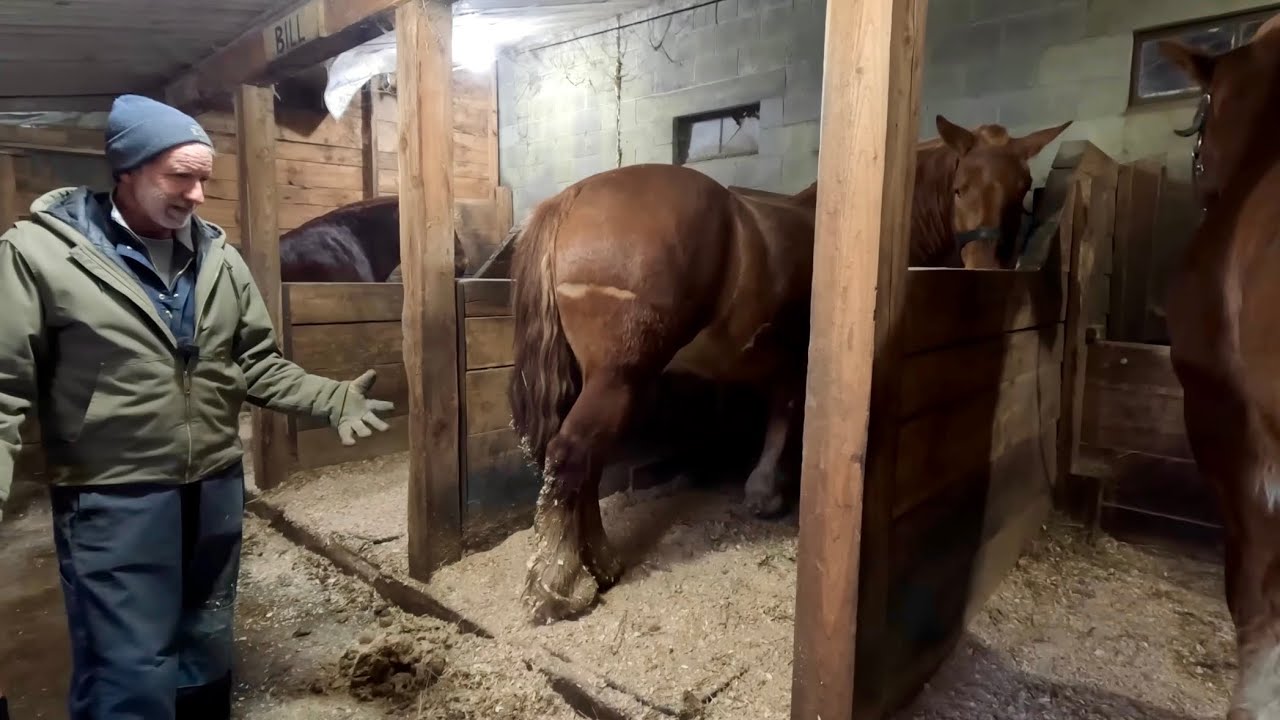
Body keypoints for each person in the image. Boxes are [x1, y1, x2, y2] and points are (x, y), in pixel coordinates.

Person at [0, 94, 395, 719]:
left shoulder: (219, 258)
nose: (196, 195)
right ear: (126, 170)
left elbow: (255, 361)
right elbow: (2, 386)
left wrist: (331, 396)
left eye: (204, 178)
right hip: (114, 495)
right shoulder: (39, 256)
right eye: (180, 176)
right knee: (128, 667)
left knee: (205, 649)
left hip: (212, 486)